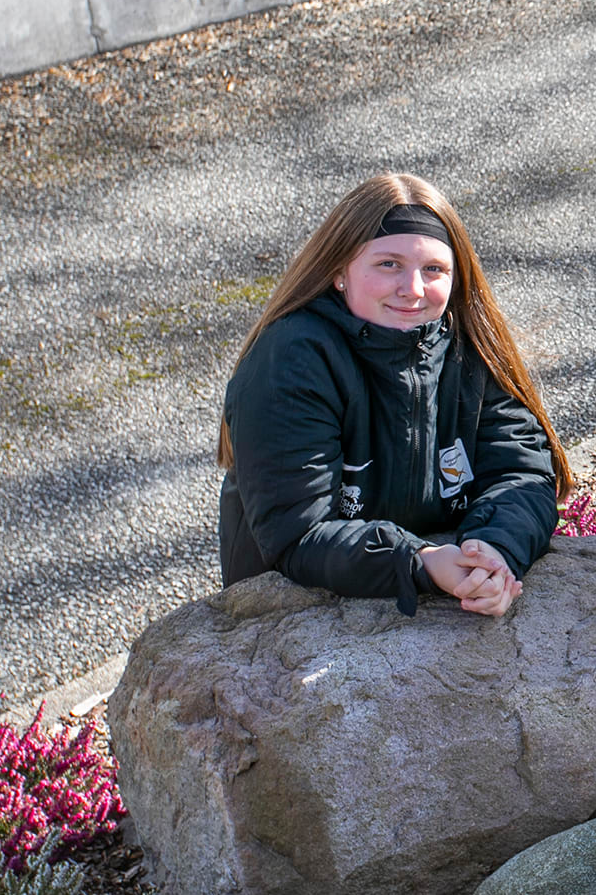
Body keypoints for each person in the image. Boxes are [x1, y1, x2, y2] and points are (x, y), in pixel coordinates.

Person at [217, 173, 572, 617]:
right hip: (291, 612)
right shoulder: (290, 359)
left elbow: (521, 474)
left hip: (435, 597)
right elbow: (299, 534)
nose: (414, 289)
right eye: (389, 265)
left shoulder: (472, 345)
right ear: (339, 271)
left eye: (434, 269)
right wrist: (417, 561)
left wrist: (494, 553)